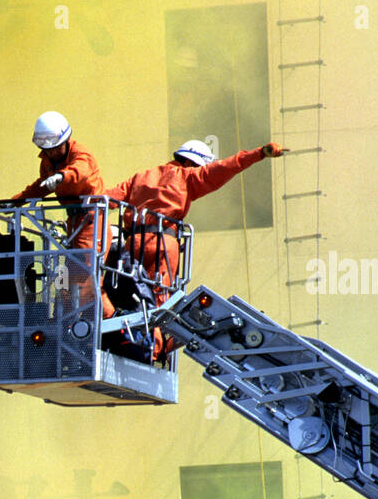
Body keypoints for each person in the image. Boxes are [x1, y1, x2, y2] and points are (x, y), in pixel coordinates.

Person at [106, 139, 283, 359]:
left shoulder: (141, 177)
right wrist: (259, 153)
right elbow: (225, 168)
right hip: (162, 244)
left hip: (131, 245)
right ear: (192, 162)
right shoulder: (187, 176)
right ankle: (154, 350)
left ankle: (129, 342)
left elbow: (106, 198)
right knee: (160, 303)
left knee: (132, 294)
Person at [10, 112, 115, 319]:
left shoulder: (81, 154)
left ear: (66, 141)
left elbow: (80, 170)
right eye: (47, 150)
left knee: (86, 278)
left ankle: (112, 324)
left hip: (92, 223)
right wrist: (15, 201)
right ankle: (64, 324)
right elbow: (41, 187)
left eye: (56, 148)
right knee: (65, 281)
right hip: (74, 224)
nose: (53, 153)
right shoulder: (48, 161)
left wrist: (61, 176)